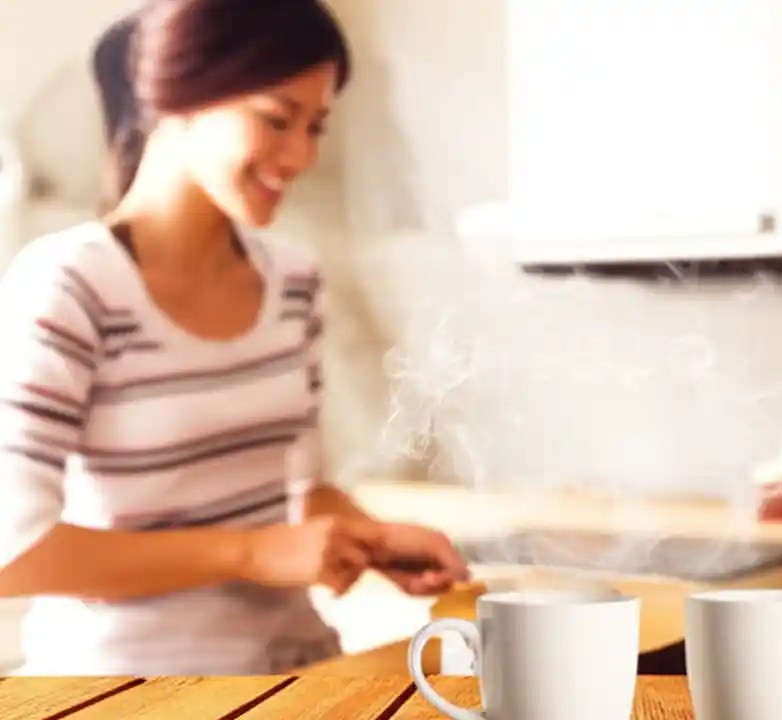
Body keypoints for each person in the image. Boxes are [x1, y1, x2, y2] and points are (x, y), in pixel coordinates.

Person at [0, 0, 470, 676]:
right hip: (131, 689)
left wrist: (366, 537)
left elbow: (297, 491)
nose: (302, 154)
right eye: (276, 120)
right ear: (178, 99)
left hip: (295, 671)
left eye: (316, 125)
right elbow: (13, 553)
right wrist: (248, 553)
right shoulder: (72, 285)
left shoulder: (294, 281)